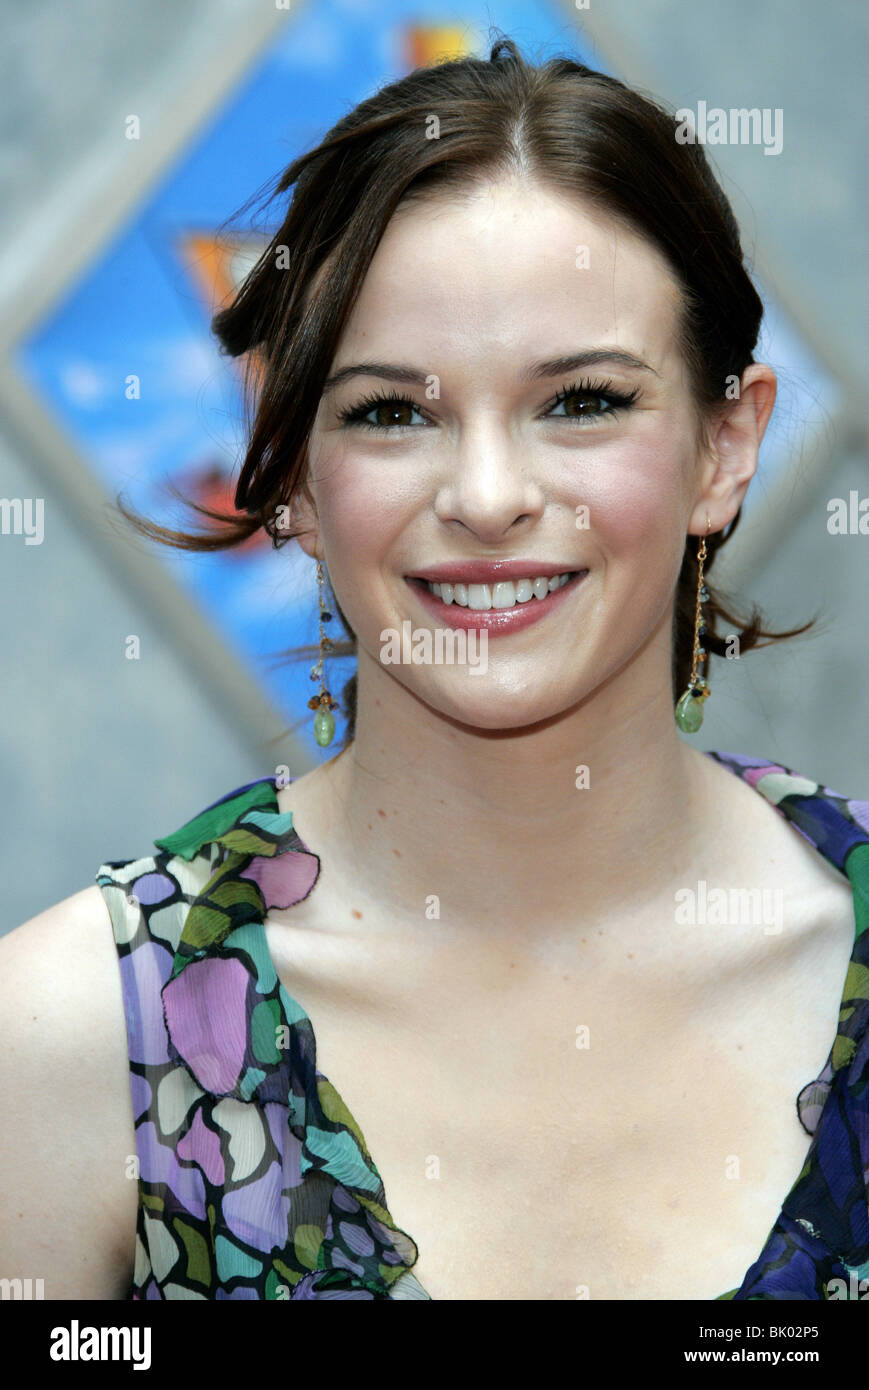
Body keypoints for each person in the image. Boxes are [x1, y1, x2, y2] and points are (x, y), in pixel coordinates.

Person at [2, 33, 867, 1303]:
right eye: (391, 412)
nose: (487, 496)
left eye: (580, 400)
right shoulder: (66, 1040)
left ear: (724, 445)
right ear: (287, 467)